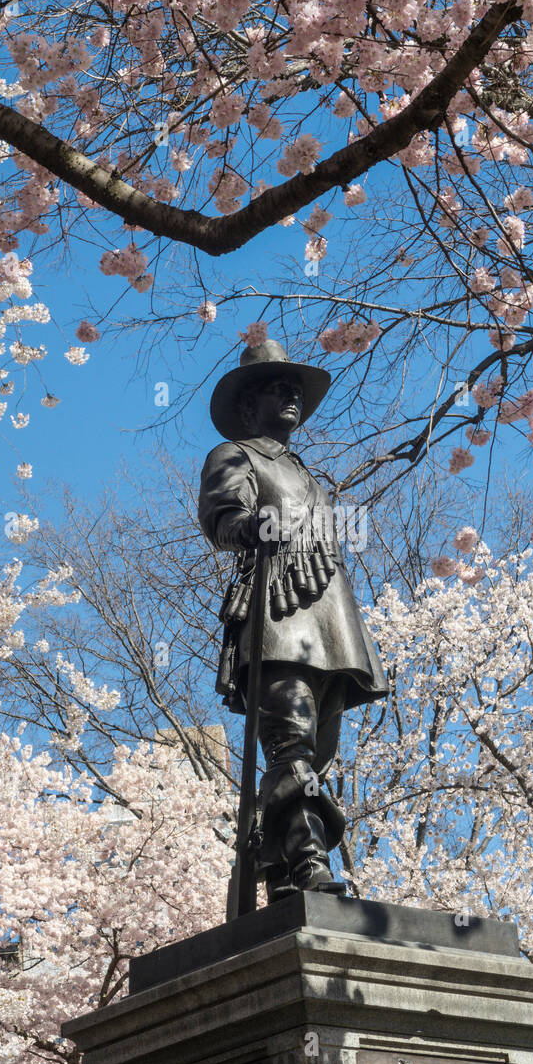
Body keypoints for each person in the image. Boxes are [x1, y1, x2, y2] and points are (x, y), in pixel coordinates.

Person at [198, 339, 388, 901]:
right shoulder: (234, 455)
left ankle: (276, 864)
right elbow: (222, 517)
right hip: (276, 616)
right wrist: (247, 526)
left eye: (296, 392)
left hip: (327, 620)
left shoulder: (307, 473)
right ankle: (308, 860)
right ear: (249, 404)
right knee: (293, 745)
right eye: (278, 388)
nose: (291, 398)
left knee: (318, 749)